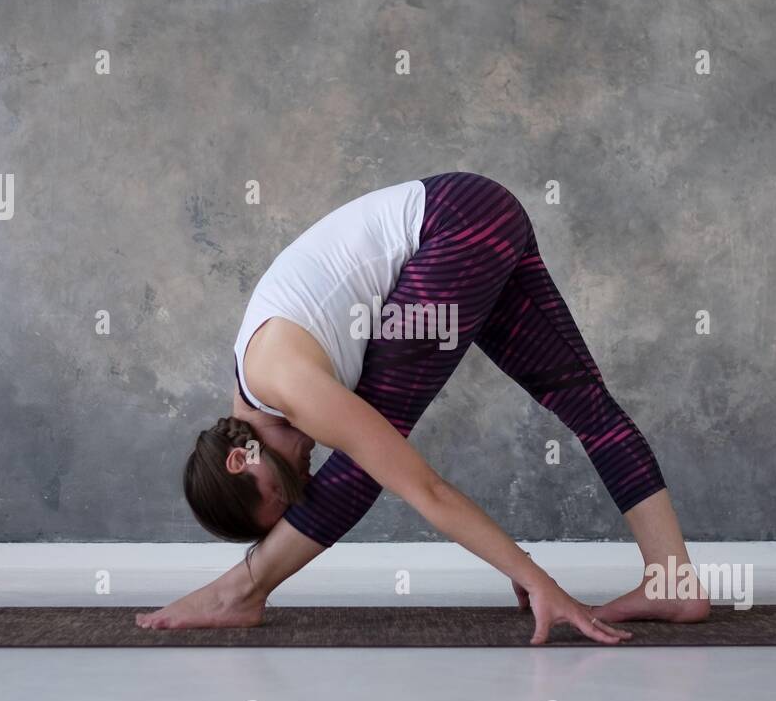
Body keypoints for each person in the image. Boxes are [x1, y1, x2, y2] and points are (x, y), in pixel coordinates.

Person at [137, 172, 709, 644]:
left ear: (242, 458)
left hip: (452, 227)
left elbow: (424, 489)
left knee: (370, 454)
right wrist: (519, 565)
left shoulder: (286, 382)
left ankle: (241, 591)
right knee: (586, 404)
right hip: (481, 210)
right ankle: (673, 581)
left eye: (284, 487)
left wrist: (535, 579)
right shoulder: (266, 384)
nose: (304, 477)